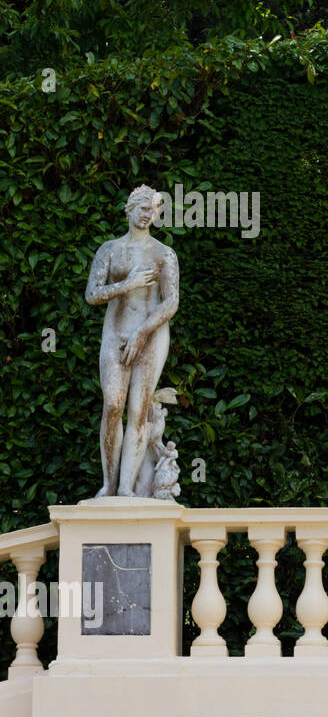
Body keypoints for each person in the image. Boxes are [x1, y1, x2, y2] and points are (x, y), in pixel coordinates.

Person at [85, 185, 180, 497]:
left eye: (152, 210)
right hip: (115, 332)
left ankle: (126, 490)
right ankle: (109, 485)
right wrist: (126, 284)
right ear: (129, 209)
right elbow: (92, 295)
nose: (147, 215)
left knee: (138, 411)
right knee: (113, 405)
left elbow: (171, 302)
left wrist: (142, 333)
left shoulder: (163, 253)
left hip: (151, 335)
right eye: (142, 208)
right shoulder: (110, 249)